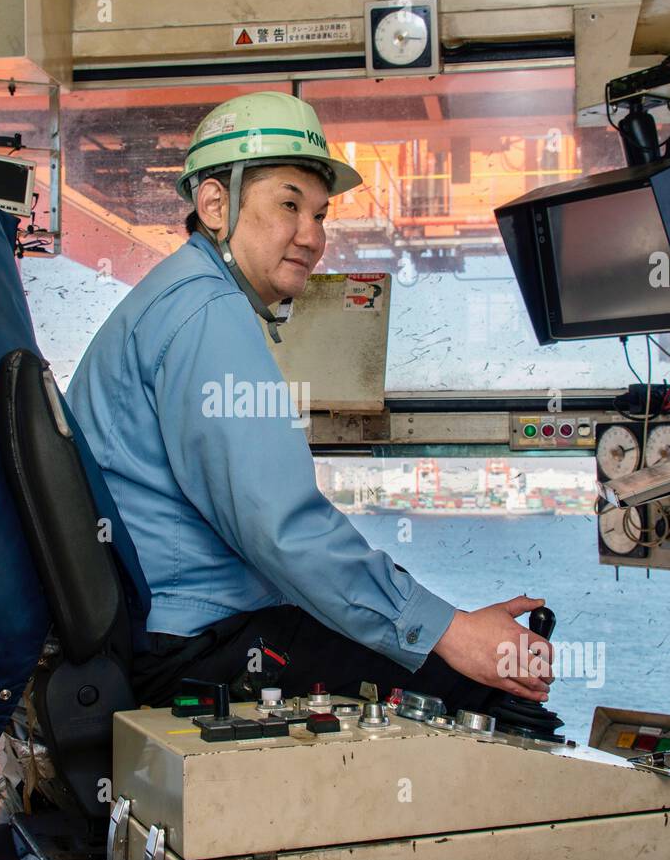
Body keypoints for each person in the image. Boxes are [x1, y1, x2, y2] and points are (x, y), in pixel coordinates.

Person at [66, 91, 553, 715]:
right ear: (215, 203)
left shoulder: (184, 297)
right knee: (487, 694)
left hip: (161, 631)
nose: (311, 235)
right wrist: (452, 632)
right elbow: (281, 527)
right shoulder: (208, 315)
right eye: (288, 206)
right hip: (185, 646)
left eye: (320, 215)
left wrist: (427, 623)